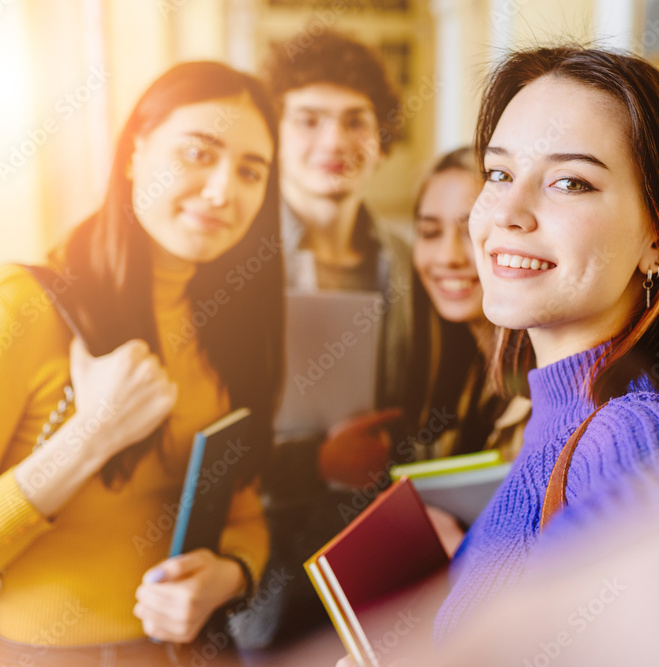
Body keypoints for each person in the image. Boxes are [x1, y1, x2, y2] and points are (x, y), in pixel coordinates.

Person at [0, 61, 283, 663]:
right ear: (134, 152)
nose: (222, 189)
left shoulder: (231, 328)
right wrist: (89, 438)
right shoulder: (12, 308)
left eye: (250, 171)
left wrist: (227, 576)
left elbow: (245, 513)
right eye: (198, 153)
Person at [424, 45, 659, 642]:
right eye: (498, 173)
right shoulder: (559, 413)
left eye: (569, 182)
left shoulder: (635, 438)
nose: (509, 213)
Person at [234, 31, 414, 650]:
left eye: (354, 121)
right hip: (257, 578)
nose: (334, 142)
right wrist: (312, 463)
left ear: (381, 136)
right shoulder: (232, 266)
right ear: (276, 136)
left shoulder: (413, 263)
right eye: (308, 120)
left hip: (381, 567)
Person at [402, 146, 529, 466]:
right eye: (430, 233)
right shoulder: (468, 376)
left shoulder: (543, 394)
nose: (448, 257)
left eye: (470, 231)